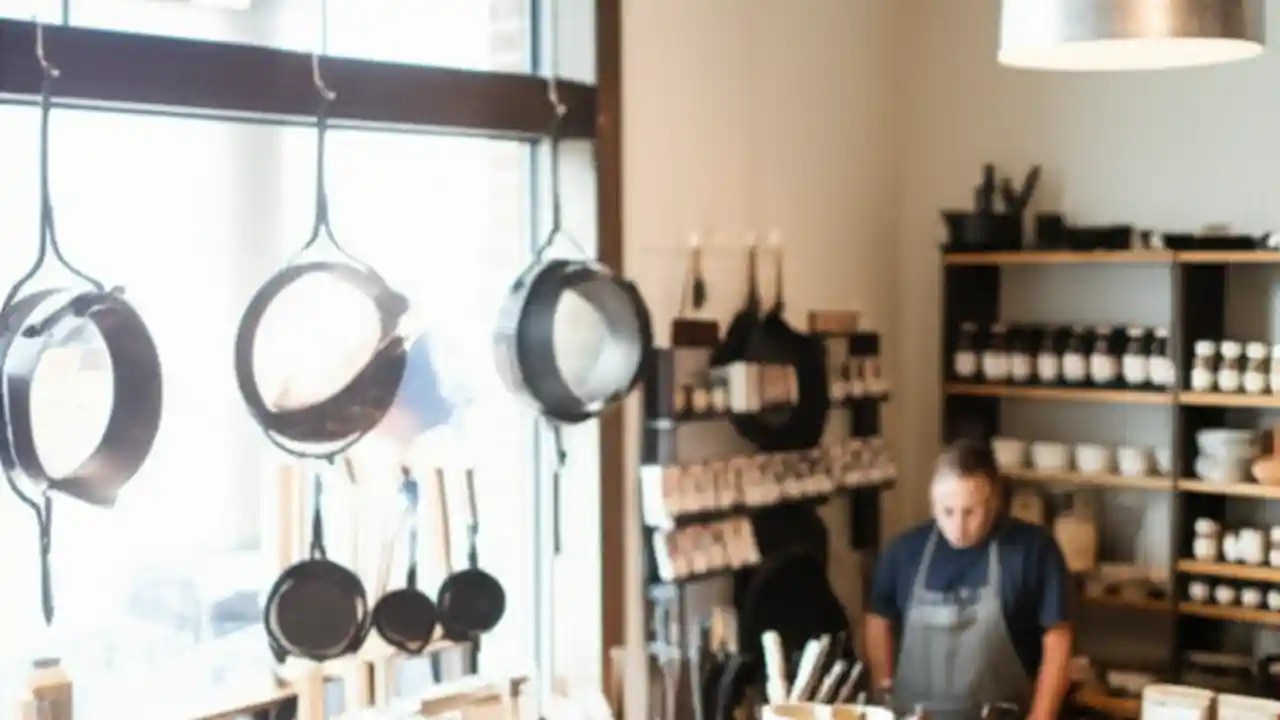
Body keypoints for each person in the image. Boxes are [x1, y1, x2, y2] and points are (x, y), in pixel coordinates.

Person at [864, 439, 1073, 720]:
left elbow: (1058, 639)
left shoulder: (1033, 550)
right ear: (932, 502)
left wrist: (1040, 718)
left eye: (971, 512)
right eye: (947, 511)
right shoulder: (904, 552)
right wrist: (883, 690)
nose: (958, 527)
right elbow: (878, 619)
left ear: (995, 501)